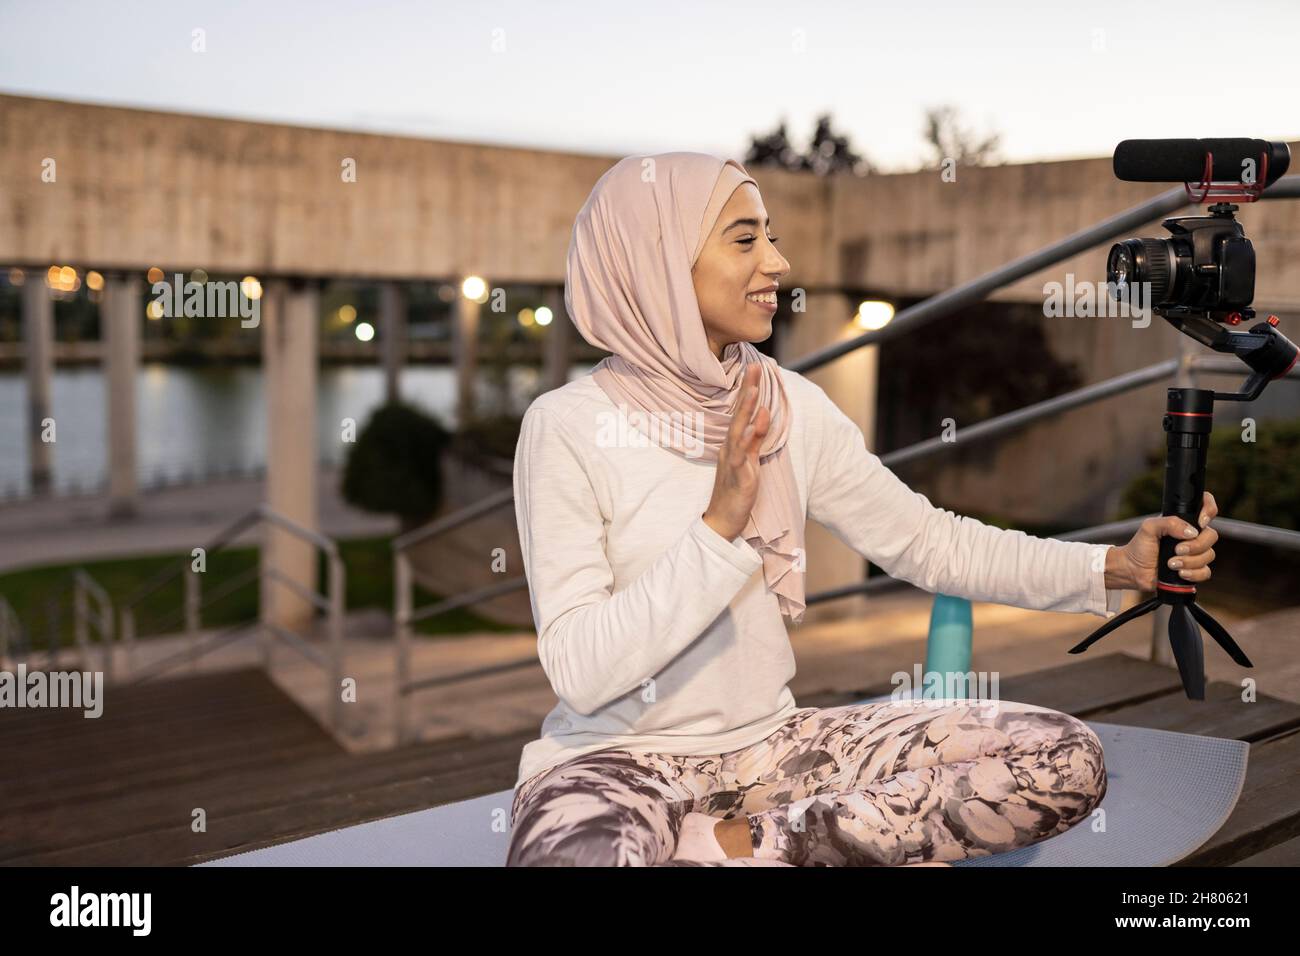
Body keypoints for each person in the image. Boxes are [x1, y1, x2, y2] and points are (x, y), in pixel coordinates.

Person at [505, 152, 1221, 867]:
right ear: (659, 260)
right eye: (746, 239)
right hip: (616, 765)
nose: (778, 262)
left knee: (1063, 758)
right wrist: (720, 524)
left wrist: (1115, 567)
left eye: (772, 236)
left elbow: (931, 544)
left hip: (774, 754)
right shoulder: (566, 425)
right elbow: (582, 670)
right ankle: (800, 849)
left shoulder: (787, 406)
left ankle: (740, 849)